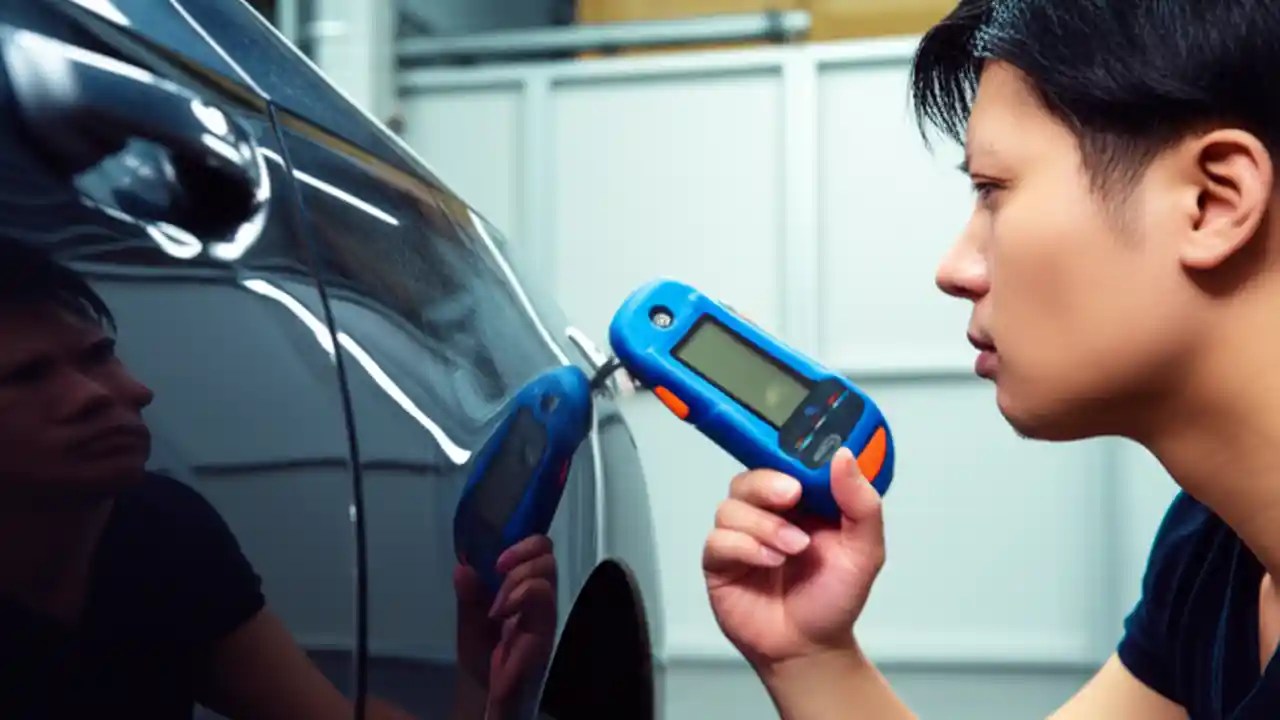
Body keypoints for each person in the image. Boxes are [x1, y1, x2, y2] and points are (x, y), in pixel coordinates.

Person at [701, 0, 1280, 718]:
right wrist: (813, 657)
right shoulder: (1213, 549)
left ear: (1212, 201)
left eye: (993, 191)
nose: (955, 268)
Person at [0, 237, 546, 719]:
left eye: (99, 356)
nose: (97, 394)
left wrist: (483, 683)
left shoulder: (160, 534)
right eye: (29, 375)